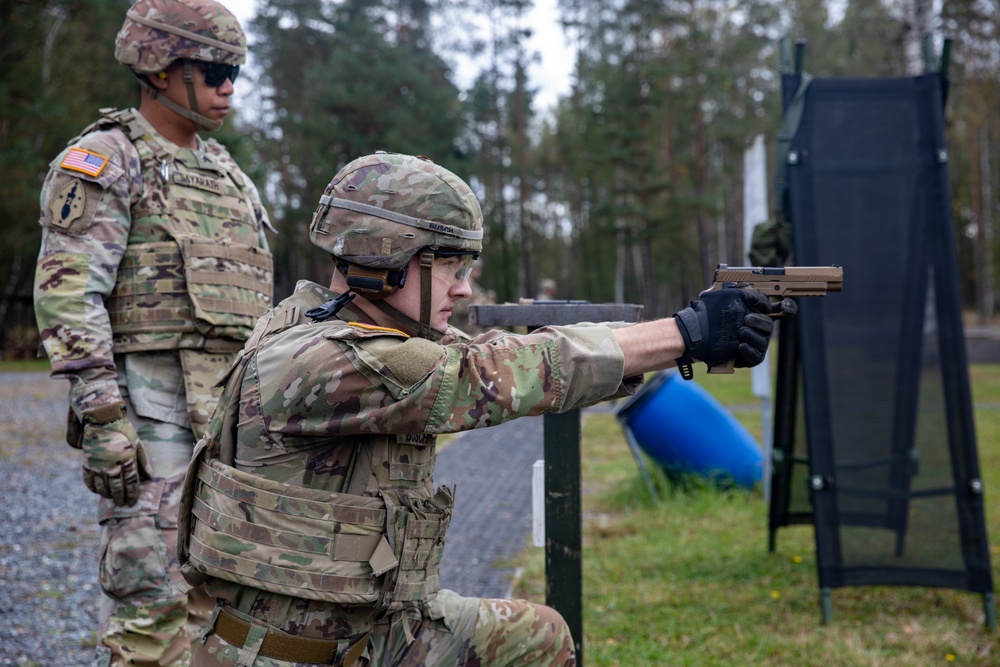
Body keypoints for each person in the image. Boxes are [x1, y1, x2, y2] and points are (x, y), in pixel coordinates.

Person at [176, 152, 783, 666]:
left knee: (541, 638)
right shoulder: (319, 360)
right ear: (388, 259)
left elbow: (503, 354)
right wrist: (684, 333)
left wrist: (674, 340)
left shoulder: (340, 327)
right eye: (450, 266)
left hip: (373, 629)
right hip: (290, 653)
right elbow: (486, 375)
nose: (464, 287)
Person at [32, 1, 274, 664]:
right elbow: (69, 297)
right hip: (152, 421)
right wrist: (103, 419)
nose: (229, 87)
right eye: (215, 71)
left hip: (228, 427)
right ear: (160, 69)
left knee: (228, 614)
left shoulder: (229, 175)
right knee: (152, 607)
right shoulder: (107, 161)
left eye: (235, 73)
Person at [451, 258, 496, 335]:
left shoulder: (473, 285)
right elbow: (458, 308)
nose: (479, 273)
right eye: (477, 269)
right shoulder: (464, 284)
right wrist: (479, 302)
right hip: (464, 328)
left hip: (472, 327)